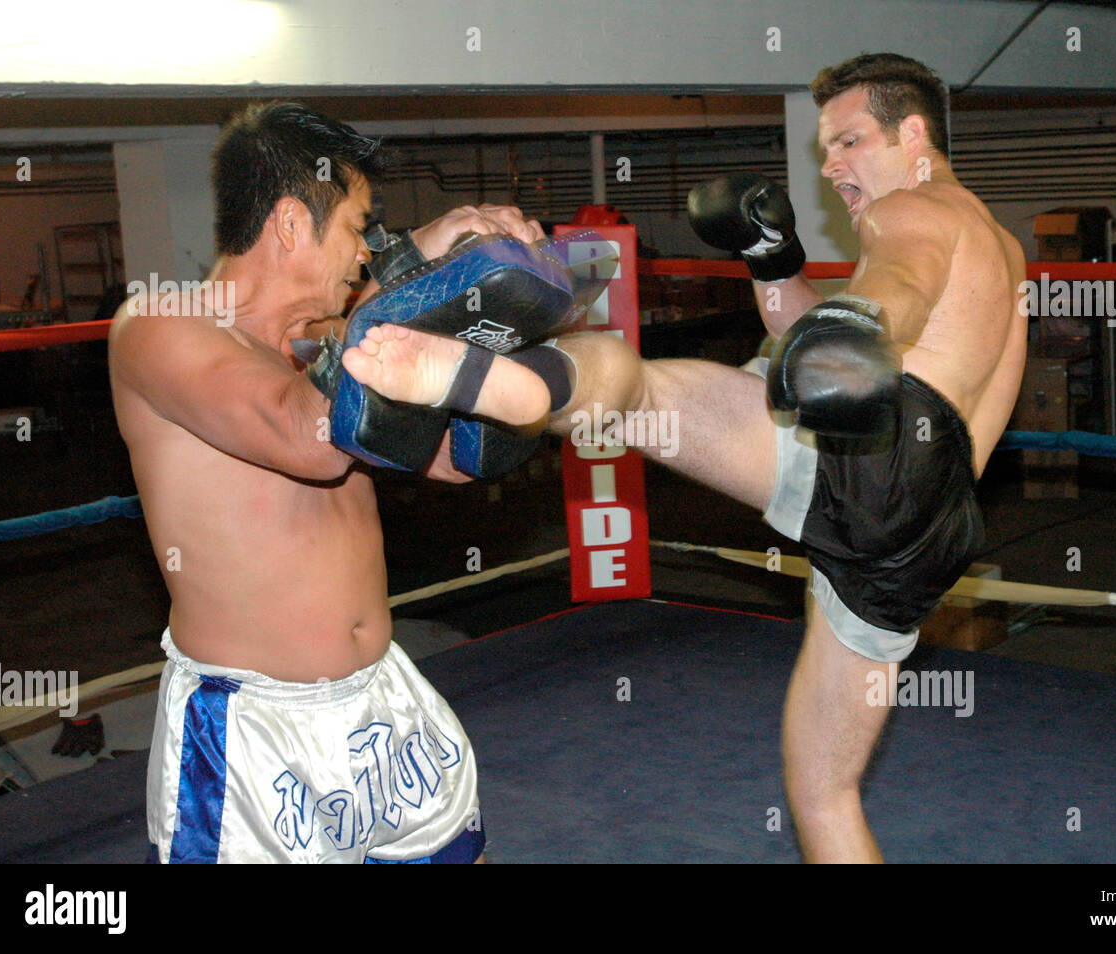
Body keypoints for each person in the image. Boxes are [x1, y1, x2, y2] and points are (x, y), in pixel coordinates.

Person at [355, 52, 1028, 862]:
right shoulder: (999, 244)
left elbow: (898, 288)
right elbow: (844, 344)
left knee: (637, 392)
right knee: (823, 790)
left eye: (850, 142)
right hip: (925, 528)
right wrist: (775, 262)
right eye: (825, 152)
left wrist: (853, 320)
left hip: (876, 447)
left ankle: (480, 376)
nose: (834, 167)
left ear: (913, 133)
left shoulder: (914, 209)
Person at [108, 101, 549, 863]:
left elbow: (449, 457)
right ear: (288, 223)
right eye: (358, 226)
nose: (367, 254)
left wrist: (494, 329)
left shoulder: (320, 344)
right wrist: (415, 276)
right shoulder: (160, 328)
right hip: (253, 728)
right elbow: (308, 437)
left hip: (382, 697)